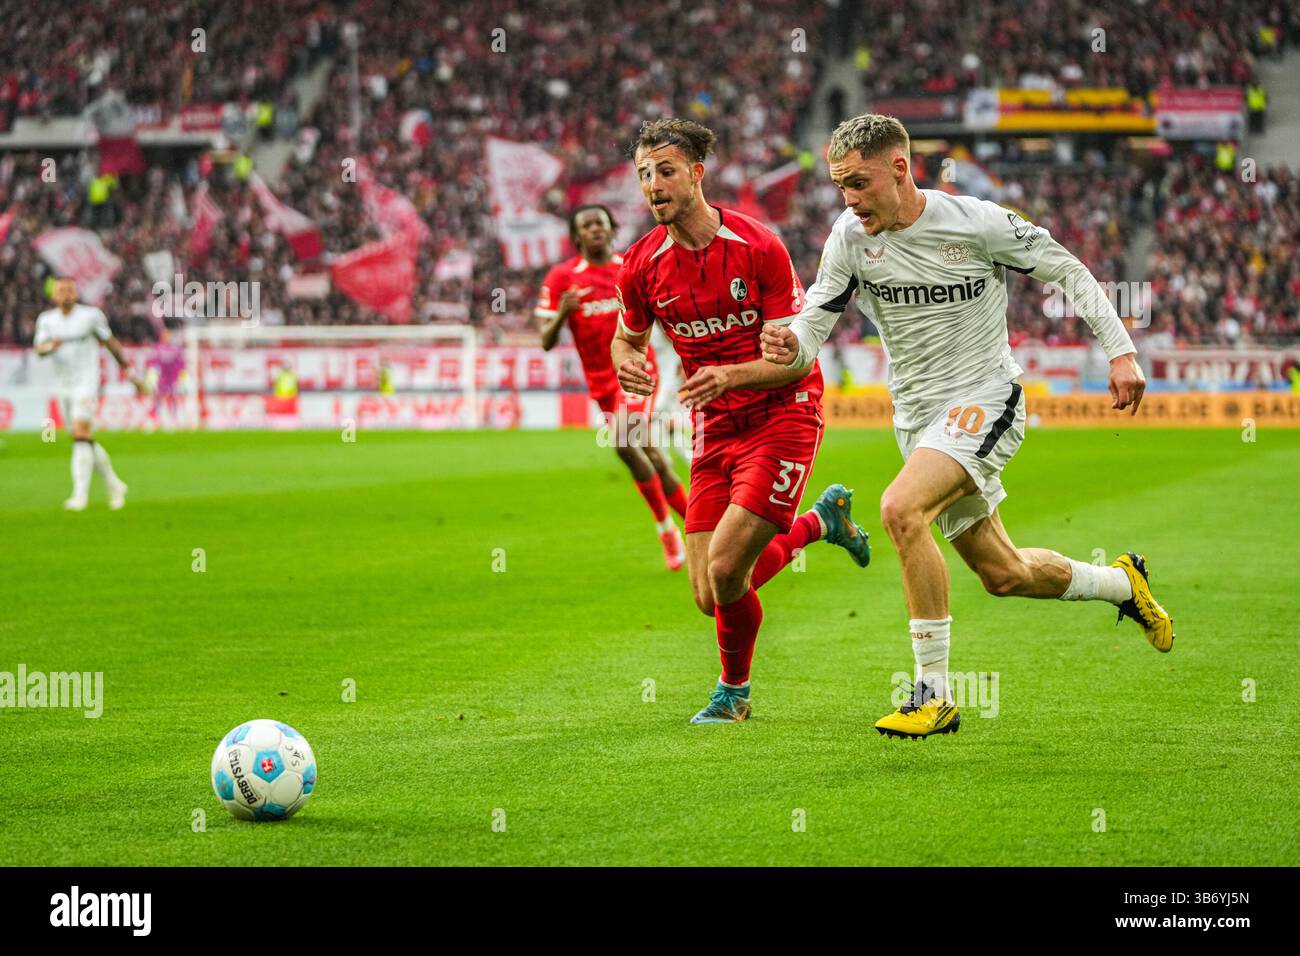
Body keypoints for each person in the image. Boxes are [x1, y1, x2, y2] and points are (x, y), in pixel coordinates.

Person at [761, 114, 1175, 738]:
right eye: (840, 184)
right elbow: (812, 329)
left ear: (900, 168)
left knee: (900, 508)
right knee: (1003, 574)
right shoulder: (848, 238)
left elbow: (1067, 268)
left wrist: (1120, 351)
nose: (849, 198)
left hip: (985, 397)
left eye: (859, 182)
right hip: (919, 420)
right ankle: (1122, 584)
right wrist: (785, 344)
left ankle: (933, 695)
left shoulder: (975, 221)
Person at [612, 118, 872, 724]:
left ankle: (734, 694)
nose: (654, 185)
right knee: (710, 595)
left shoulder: (759, 247)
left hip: (783, 413)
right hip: (713, 427)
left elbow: (793, 361)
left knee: (730, 569)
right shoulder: (640, 264)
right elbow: (625, 341)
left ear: (698, 174)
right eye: (645, 174)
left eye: (666, 171)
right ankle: (821, 524)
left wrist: (729, 375)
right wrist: (629, 365)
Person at [536, 205, 687, 570]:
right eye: (586, 225)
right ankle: (693, 523)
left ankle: (665, 529)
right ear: (577, 236)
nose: (594, 230)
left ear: (610, 229)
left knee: (622, 440)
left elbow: (664, 315)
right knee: (651, 456)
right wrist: (562, 314)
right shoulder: (562, 279)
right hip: (601, 384)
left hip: (637, 369)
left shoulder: (629, 268)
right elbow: (545, 341)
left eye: (600, 224)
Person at [34, 276, 146, 510]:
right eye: (61, 290)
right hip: (64, 385)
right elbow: (40, 349)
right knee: (81, 439)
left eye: (70, 289)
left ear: (76, 294)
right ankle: (114, 484)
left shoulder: (90, 316)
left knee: (81, 433)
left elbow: (111, 343)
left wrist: (131, 374)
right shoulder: (46, 320)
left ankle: (79, 495)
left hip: (87, 382)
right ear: (54, 296)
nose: (66, 293)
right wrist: (48, 347)